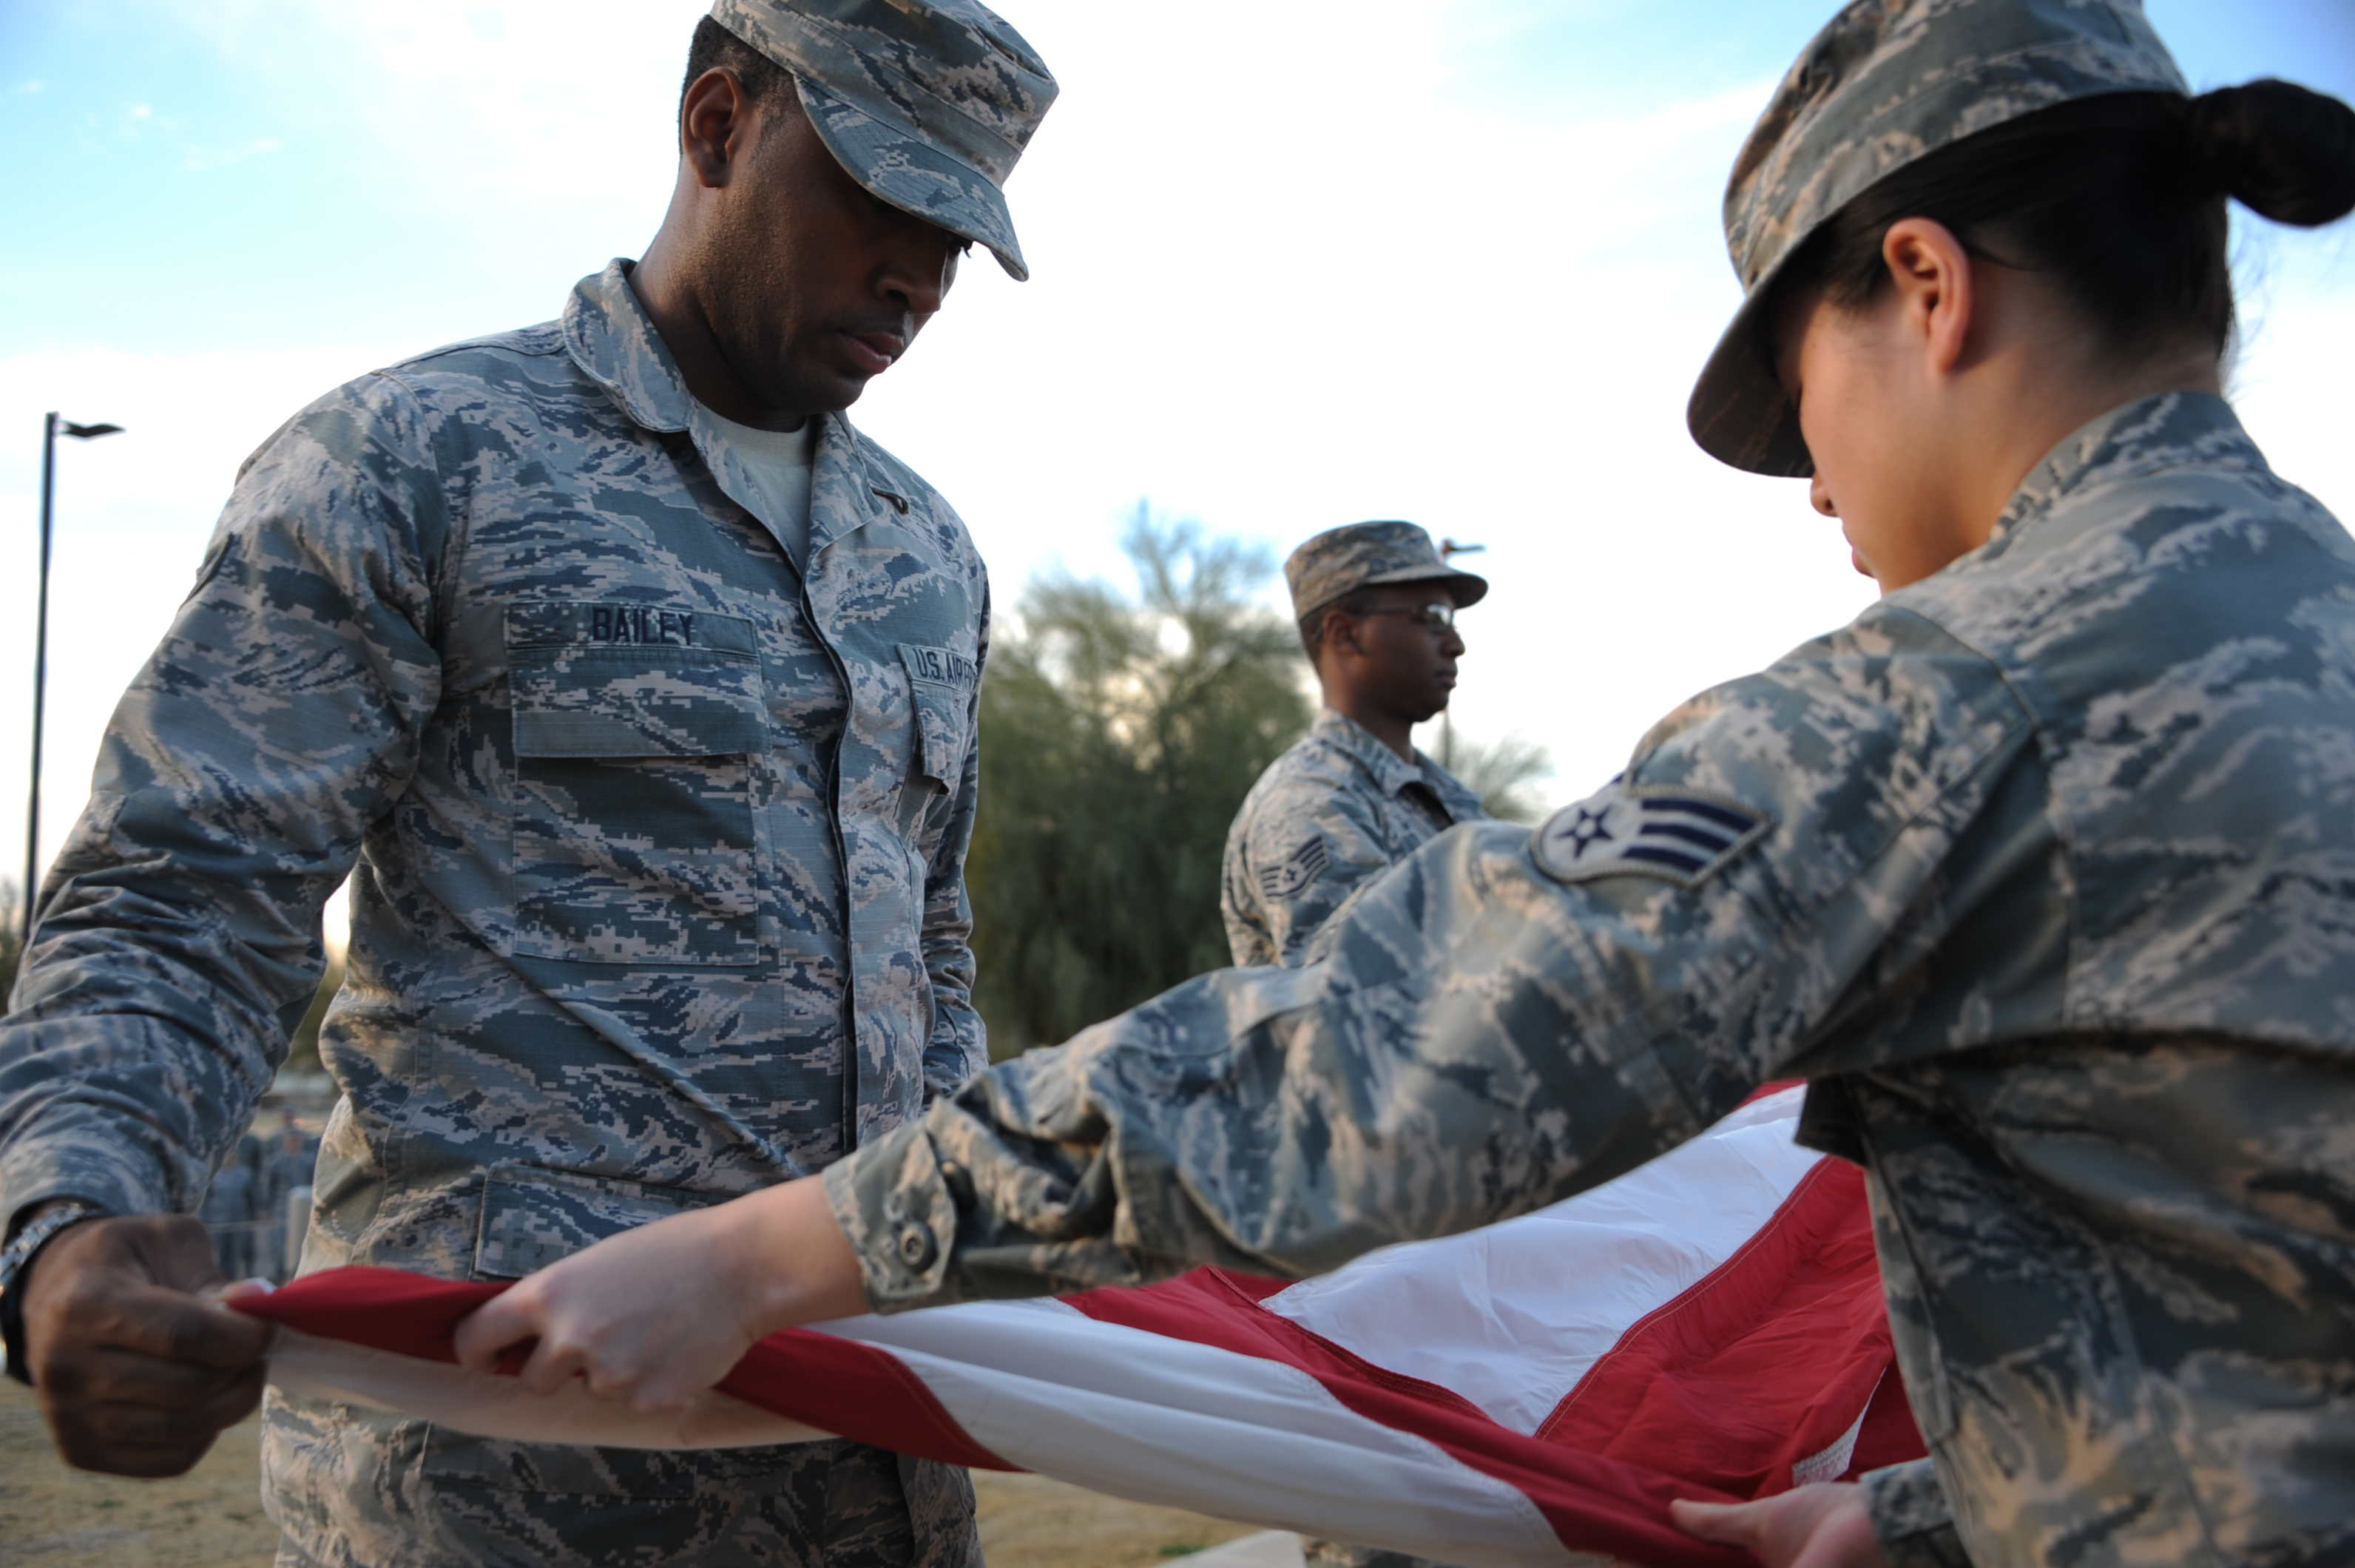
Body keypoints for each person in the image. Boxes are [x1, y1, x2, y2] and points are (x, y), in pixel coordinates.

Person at [451, 1, 2355, 1564]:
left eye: (1797, 388)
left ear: (1924, 287)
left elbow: (1380, 1065)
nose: (1808, 478)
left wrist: (773, 1246)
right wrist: (1930, 1522)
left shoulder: (1942, 705)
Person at [0, 2, 1055, 1564]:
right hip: (500, 1474)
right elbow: (182, 895)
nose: (917, 273)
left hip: (860, 1461)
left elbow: (933, 956)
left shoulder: (925, 553)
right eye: (882, 199)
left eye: (955, 234)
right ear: (716, 128)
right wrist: (69, 1220)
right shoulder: (415, 458)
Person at [1221, 522, 1487, 971]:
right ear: (1345, 634)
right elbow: (1369, 992)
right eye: (1433, 617)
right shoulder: (1308, 801)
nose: (1456, 645)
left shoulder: (1442, 797)